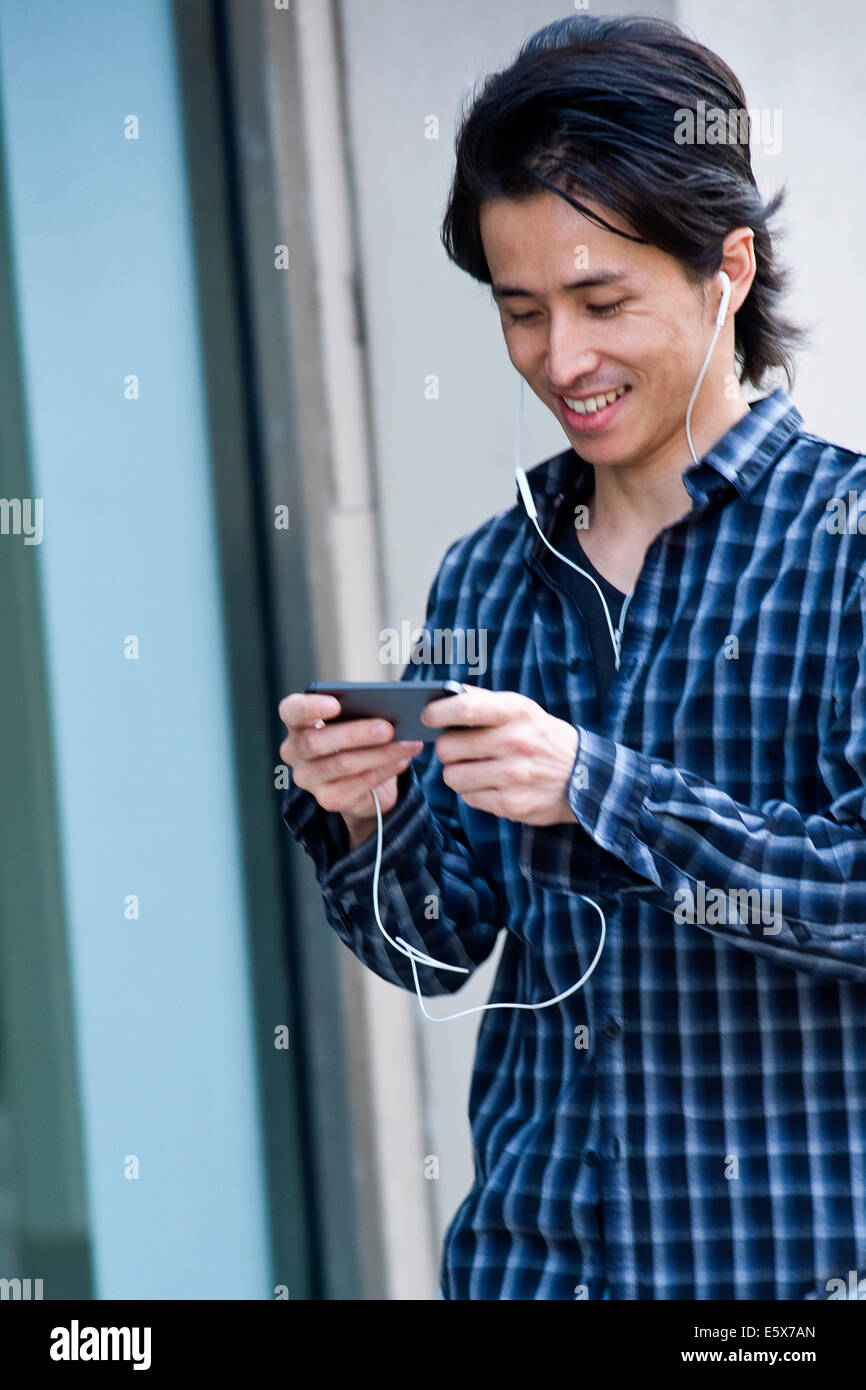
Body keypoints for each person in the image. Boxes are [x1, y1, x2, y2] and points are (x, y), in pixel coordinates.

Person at [278, 14, 866, 1300]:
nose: (561, 359)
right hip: (530, 1271)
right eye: (522, 310)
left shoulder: (848, 545)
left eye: (603, 302)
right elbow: (433, 947)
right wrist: (364, 815)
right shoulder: (486, 573)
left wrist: (595, 785)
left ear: (726, 270)